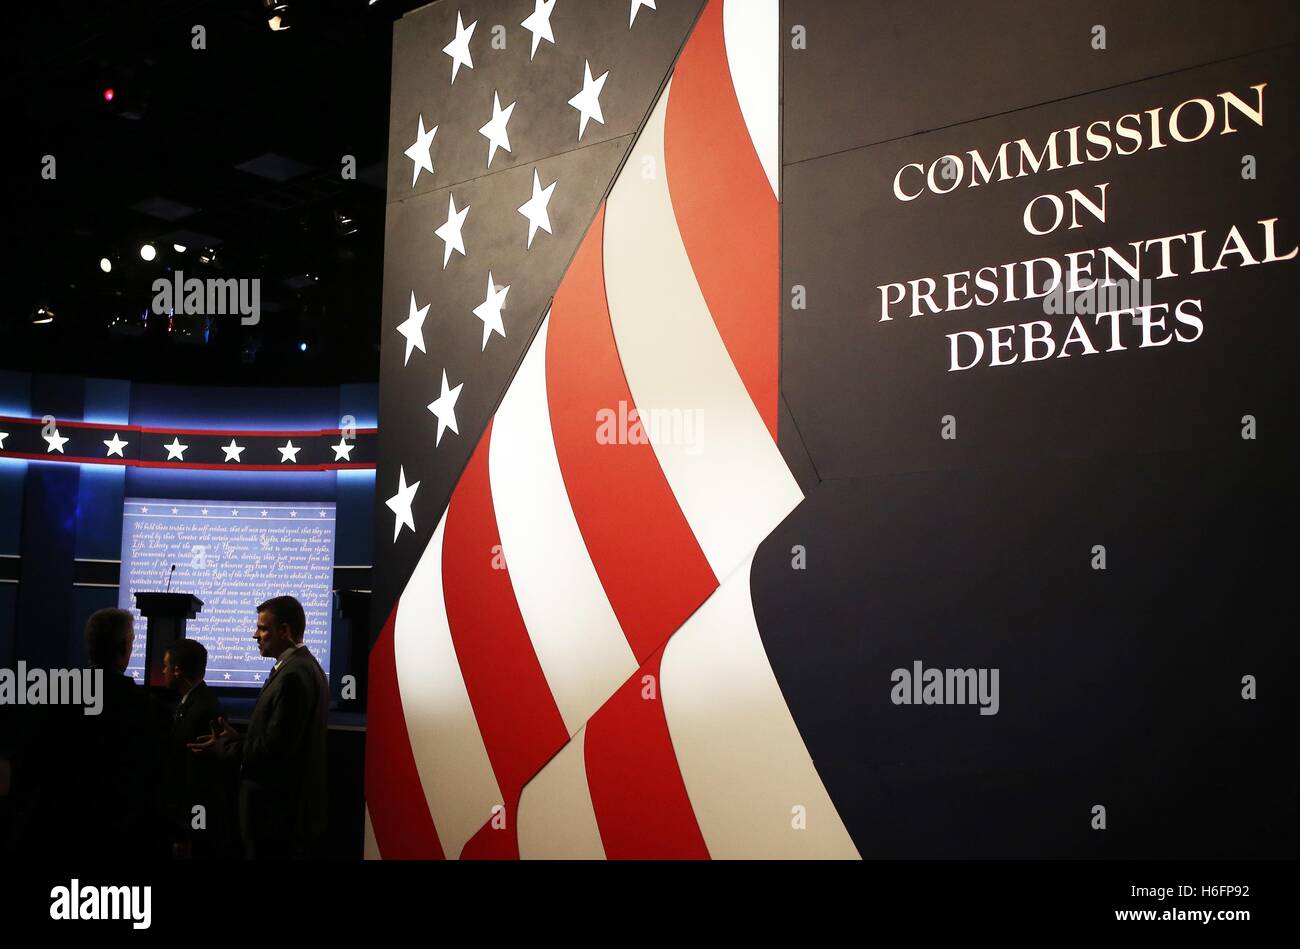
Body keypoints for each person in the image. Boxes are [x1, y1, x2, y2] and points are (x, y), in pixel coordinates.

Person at [190, 595, 329, 858]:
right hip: (284, 815)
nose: (256, 635)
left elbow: (273, 751)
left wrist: (225, 746)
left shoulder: (293, 676)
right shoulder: (303, 668)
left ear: (284, 631)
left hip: (275, 817)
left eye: (263, 628)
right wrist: (241, 739)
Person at [161, 638, 229, 858]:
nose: (163, 671)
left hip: (195, 817)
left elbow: (199, 777)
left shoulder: (202, 709)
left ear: (177, 670)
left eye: (165, 665)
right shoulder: (194, 702)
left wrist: (189, 832)